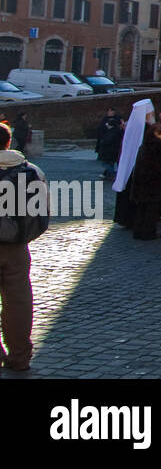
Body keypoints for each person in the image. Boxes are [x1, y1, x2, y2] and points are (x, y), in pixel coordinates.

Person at [0, 126, 45, 372]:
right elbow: (42, 210)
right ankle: (20, 356)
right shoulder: (31, 170)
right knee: (18, 301)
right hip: (17, 246)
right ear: (8, 143)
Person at [130, 122, 161, 241]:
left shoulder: (145, 146)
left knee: (142, 208)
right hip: (153, 183)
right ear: (156, 133)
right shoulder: (158, 146)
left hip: (144, 182)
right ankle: (148, 232)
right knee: (151, 209)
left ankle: (139, 231)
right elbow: (160, 166)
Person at [112, 99, 155, 231]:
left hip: (129, 166)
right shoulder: (146, 128)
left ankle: (125, 218)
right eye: (151, 113)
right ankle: (134, 219)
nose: (153, 115)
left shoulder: (131, 126)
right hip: (139, 167)